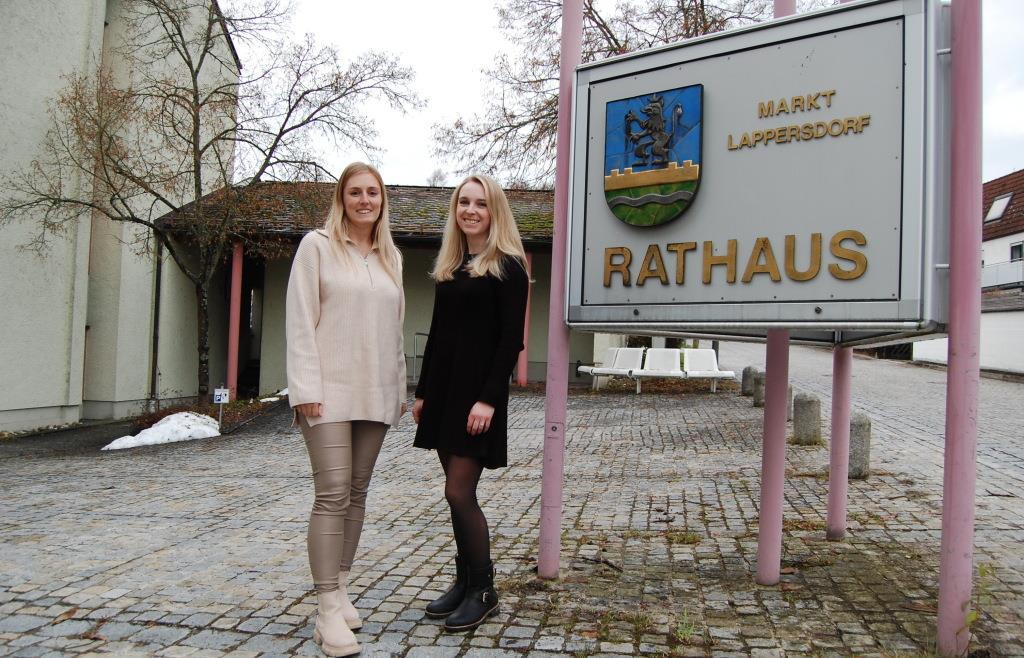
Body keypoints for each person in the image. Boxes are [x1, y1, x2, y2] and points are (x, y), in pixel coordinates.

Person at [286, 162, 406, 657]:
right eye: (355, 192)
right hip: (328, 392)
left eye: (372, 192)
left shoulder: (390, 257)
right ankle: (326, 609)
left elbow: (395, 330)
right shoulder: (316, 246)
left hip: (374, 393)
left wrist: (398, 389)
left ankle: (341, 587)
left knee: (357, 492)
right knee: (332, 492)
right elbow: (299, 319)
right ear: (342, 198)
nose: (364, 200)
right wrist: (304, 387)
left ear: (381, 201)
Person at [411, 174, 530, 632]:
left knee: (458, 492)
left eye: (481, 203)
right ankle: (464, 583)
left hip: (477, 399)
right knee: (458, 496)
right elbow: (437, 334)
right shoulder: (453, 266)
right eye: (464, 202)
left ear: (494, 211)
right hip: (444, 394)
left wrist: (487, 400)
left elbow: (509, 342)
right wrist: (422, 392)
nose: (471, 210)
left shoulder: (508, 266)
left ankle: (483, 589)